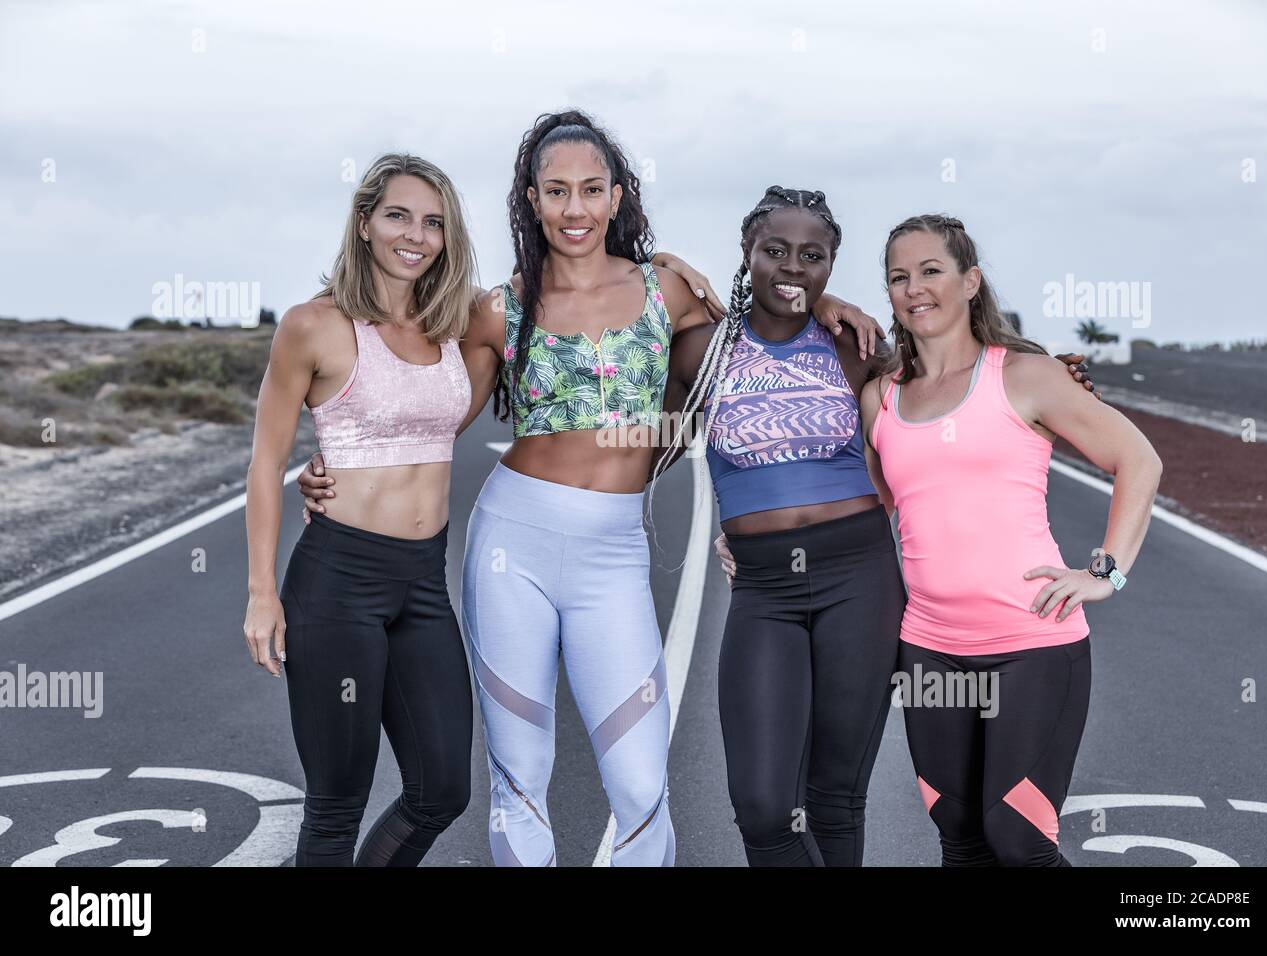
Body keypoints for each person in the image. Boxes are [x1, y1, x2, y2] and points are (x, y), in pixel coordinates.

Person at [296, 111, 881, 867]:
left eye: (592, 190)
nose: (575, 209)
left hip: (613, 555)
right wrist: (336, 465)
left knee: (640, 784)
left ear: (617, 197)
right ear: (531, 200)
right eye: (557, 191)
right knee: (521, 778)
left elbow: (758, 335)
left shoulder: (668, 289)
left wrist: (828, 307)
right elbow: (425, 416)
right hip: (514, 546)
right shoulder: (495, 311)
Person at [662, 192, 1096, 866]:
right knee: (764, 807)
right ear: (747, 251)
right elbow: (646, 428)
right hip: (763, 589)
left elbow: (948, 383)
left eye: (813, 256)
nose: (792, 267)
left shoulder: (854, 344)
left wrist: (1049, 371)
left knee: (835, 796)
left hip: (858, 579)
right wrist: (661, 264)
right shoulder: (702, 350)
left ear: (832, 265)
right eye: (775, 250)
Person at [863, 213, 1162, 865]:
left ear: (970, 282)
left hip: (1033, 647)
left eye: (932, 270)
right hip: (931, 653)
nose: (915, 287)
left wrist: (1106, 573)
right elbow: (875, 513)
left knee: (1020, 839)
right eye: (898, 276)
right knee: (961, 838)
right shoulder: (882, 397)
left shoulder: (1024, 376)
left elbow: (1138, 459)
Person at [242, 153, 478, 866]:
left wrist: (667, 261)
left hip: (424, 583)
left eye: (433, 222)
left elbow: (558, 280)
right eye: (399, 215)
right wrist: (260, 595)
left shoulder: (453, 324)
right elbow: (264, 461)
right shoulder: (313, 325)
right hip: (338, 584)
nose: (416, 234)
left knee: (442, 789)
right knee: (336, 807)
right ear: (366, 222)